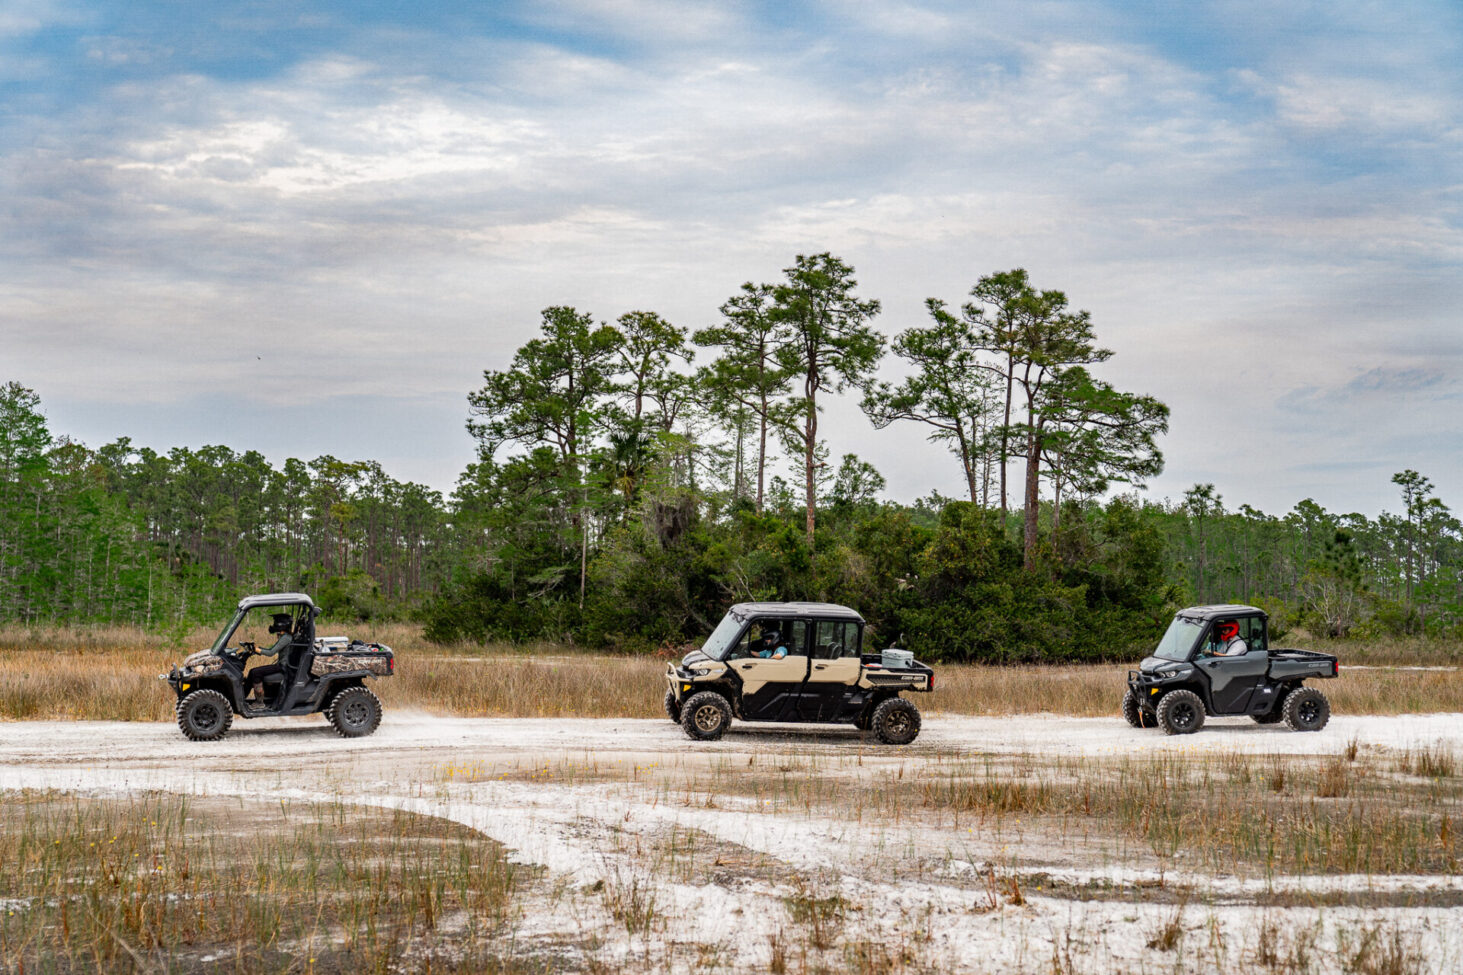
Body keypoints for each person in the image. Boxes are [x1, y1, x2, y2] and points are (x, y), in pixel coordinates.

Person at [243, 613, 295, 701]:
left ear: (280, 625)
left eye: (275, 622)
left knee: (255, 672)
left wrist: (257, 650)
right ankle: (242, 698)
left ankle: (259, 702)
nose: (273, 625)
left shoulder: (286, 638)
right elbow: (271, 649)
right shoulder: (285, 636)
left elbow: (271, 652)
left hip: (282, 667)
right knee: (252, 671)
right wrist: (258, 649)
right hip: (282, 666)